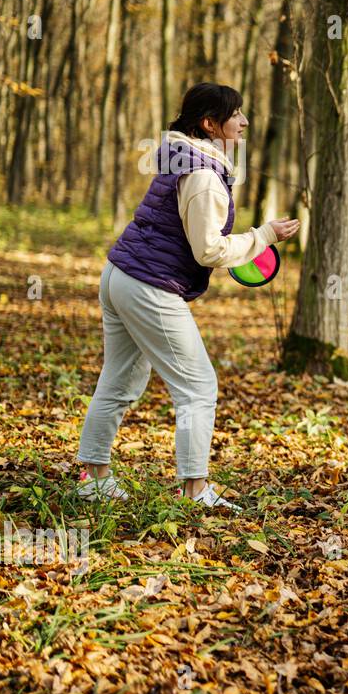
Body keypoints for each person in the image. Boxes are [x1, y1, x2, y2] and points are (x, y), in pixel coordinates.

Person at [75, 82, 300, 510]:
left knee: (119, 379)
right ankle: (195, 491)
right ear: (210, 123)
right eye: (235, 114)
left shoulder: (186, 159)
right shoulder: (202, 175)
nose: (245, 121)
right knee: (198, 387)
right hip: (148, 285)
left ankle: (93, 477)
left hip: (119, 274)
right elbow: (209, 250)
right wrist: (263, 236)